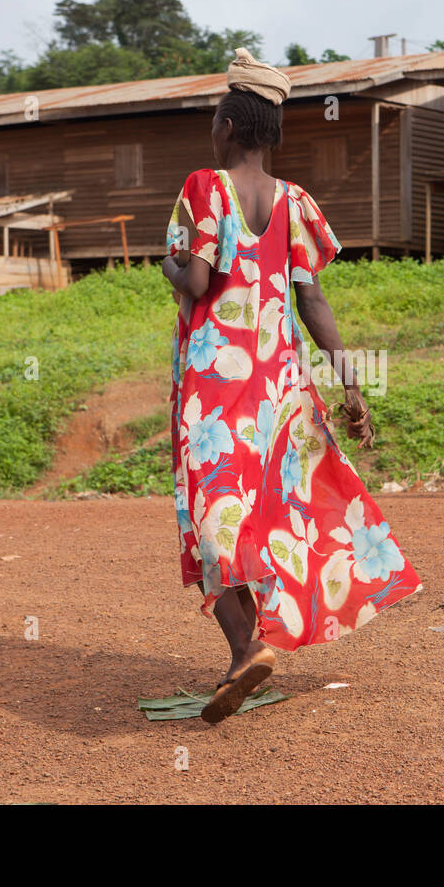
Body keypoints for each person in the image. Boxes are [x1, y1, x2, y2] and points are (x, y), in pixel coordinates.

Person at [160, 48, 422, 724]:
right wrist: (352, 384)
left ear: (226, 126)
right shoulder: (297, 201)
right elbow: (314, 303)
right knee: (278, 506)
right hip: (278, 380)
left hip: (215, 387)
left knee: (212, 513)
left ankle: (247, 648)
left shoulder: (202, 188)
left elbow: (194, 281)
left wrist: (168, 260)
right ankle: (249, 651)